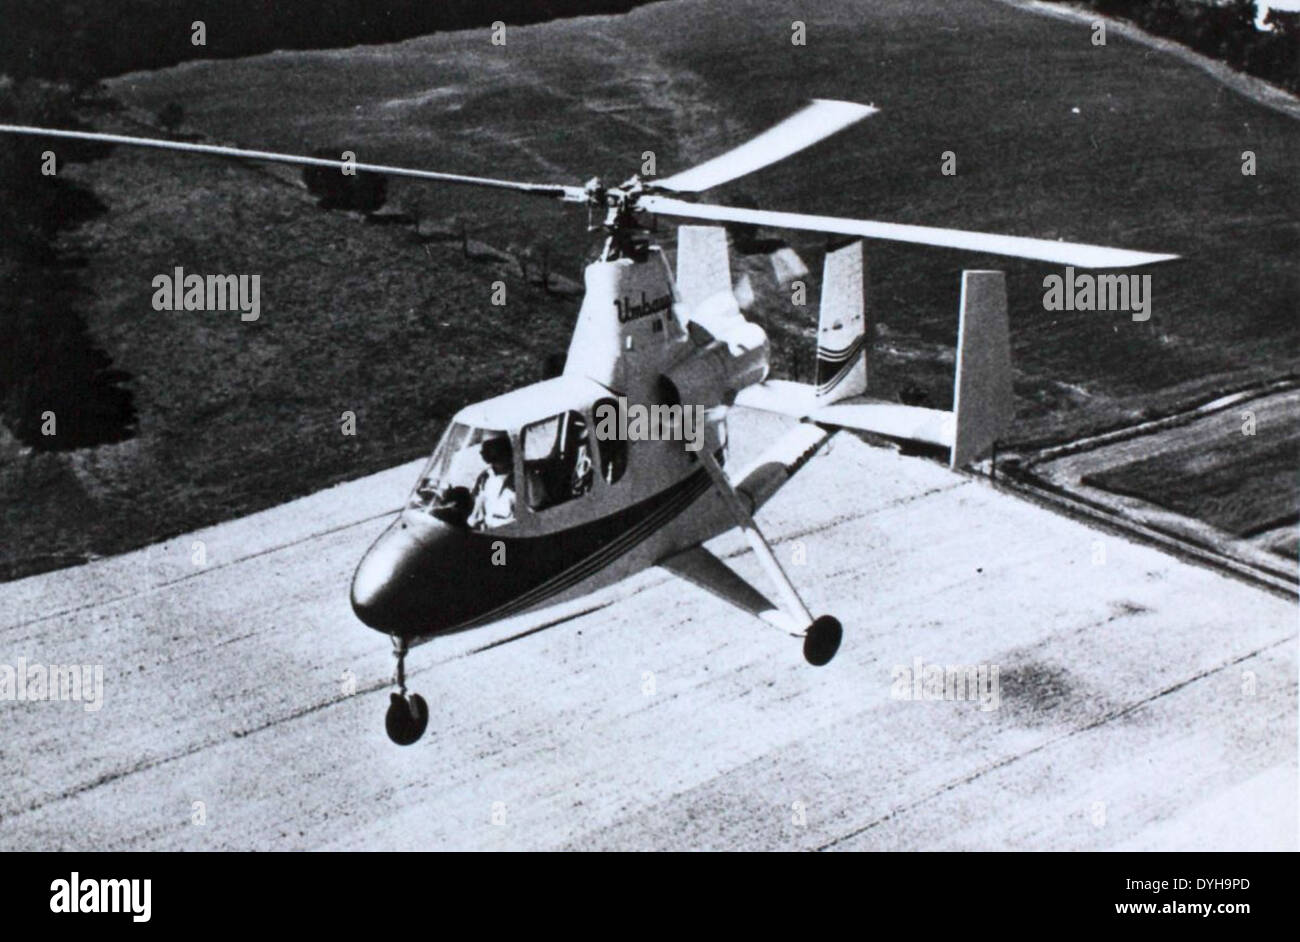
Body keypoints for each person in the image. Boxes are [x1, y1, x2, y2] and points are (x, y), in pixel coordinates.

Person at [467, 433, 516, 530]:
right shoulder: (485, 477)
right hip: (487, 532)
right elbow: (479, 500)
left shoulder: (522, 476)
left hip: (509, 532)